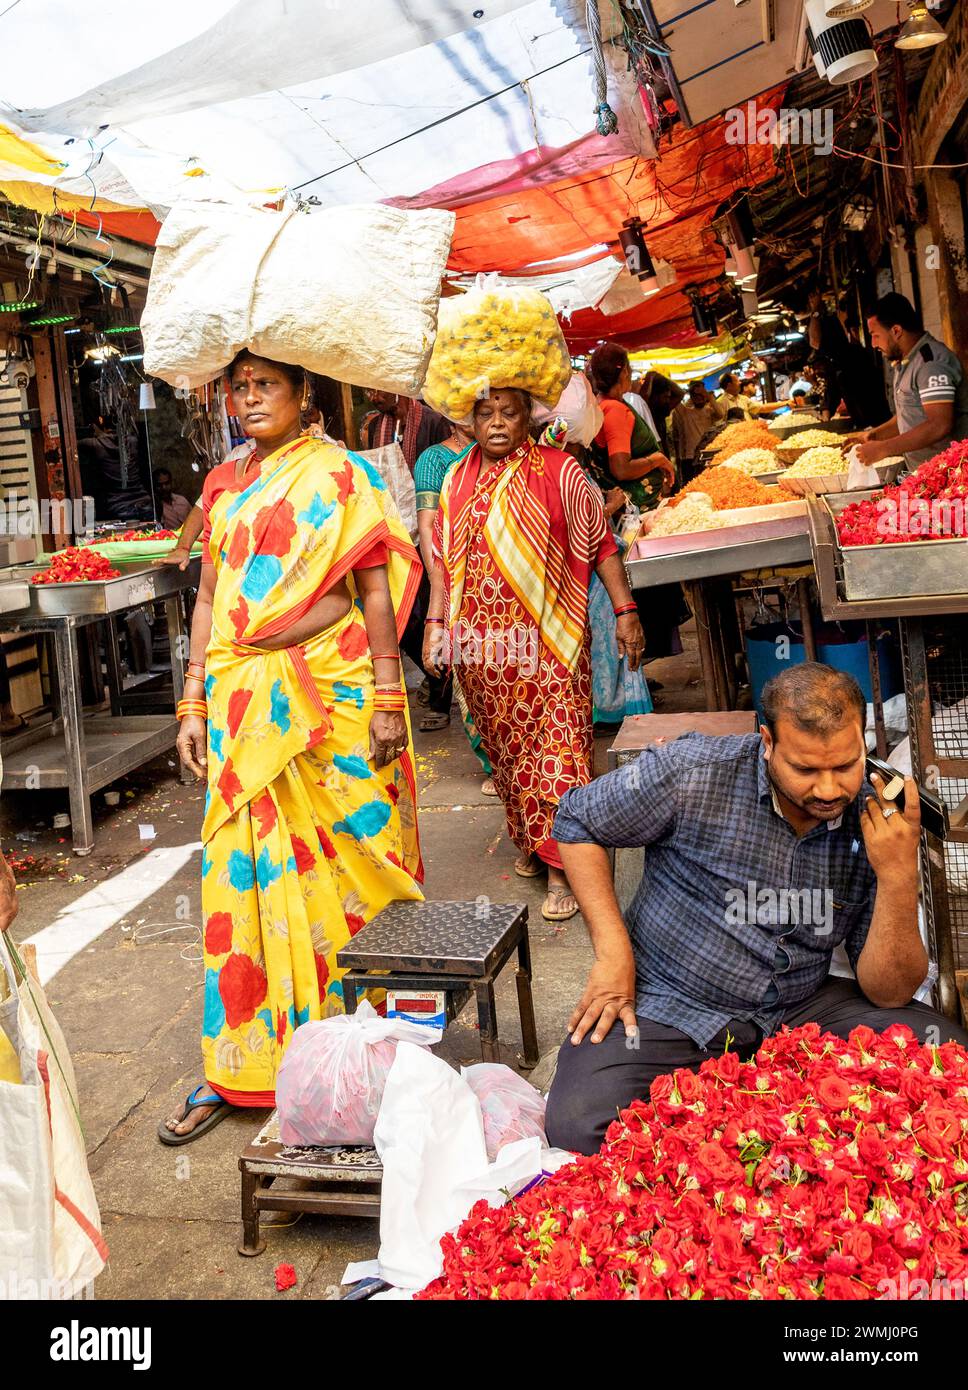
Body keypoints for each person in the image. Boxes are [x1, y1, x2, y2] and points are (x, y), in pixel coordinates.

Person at [544, 662, 968, 1155]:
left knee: (949, 1059)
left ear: (864, 745)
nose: (830, 789)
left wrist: (898, 876)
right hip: (674, 1003)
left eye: (846, 765)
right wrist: (613, 953)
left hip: (799, 1005)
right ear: (767, 743)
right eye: (806, 769)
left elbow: (888, 992)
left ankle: (763, 1130)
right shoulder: (692, 773)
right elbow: (575, 819)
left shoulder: (877, 813)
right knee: (578, 1124)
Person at [160, 351, 423, 1144]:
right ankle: (245, 1062)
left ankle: (374, 1046)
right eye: (238, 388)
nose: (249, 399)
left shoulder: (341, 477)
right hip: (244, 703)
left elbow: (374, 588)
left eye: (265, 384)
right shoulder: (225, 486)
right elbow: (208, 596)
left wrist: (385, 695)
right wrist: (193, 698)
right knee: (242, 878)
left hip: (333, 697)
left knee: (357, 861)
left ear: (302, 391)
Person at [423, 387, 645, 923]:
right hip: (481, 652)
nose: (497, 423)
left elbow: (602, 545)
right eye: (486, 414)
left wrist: (625, 610)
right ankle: (533, 836)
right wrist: (435, 624)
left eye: (509, 412)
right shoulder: (455, 480)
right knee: (508, 757)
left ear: (529, 418)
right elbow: (444, 564)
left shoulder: (561, 471)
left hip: (552, 645)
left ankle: (562, 868)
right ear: (469, 420)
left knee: (560, 752)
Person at [588, 344, 688, 665]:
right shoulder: (614, 410)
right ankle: (636, 672)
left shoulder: (606, 407)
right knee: (651, 598)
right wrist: (656, 458)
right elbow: (620, 466)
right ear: (624, 373)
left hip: (634, 511)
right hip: (635, 511)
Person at [413, 423, 494, 784]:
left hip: (515, 582)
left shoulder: (513, 449)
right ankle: (498, 765)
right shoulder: (436, 460)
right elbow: (429, 529)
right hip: (462, 586)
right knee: (475, 677)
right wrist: (438, 600)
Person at [853, 293, 968, 468]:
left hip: (950, 475)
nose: (873, 344)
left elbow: (939, 424)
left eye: (875, 335)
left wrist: (884, 448)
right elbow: (909, 416)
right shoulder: (906, 362)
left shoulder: (930, 364)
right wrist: (874, 436)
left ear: (896, 331)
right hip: (925, 475)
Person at [361, 391, 450, 472]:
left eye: (377, 390)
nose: (373, 398)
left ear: (396, 386)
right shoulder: (375, 425)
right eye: (369, 392)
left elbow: (446, 467)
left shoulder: (433, 421)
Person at [836, 297, 890, 428]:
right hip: (873, 417)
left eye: (875, 335)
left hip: (871, 417)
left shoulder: (857, 354)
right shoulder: (857, 353)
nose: (873, 343)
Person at [670, 378, 727, 483]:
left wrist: (707, 394)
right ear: (691, 396)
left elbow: (721, 414)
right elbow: (676, 396)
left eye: (701, 395)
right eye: (695, 396)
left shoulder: (709, 411)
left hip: (707, 456)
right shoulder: (684, 412)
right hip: (689, 458)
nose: (699, 398)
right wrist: (691, 390)